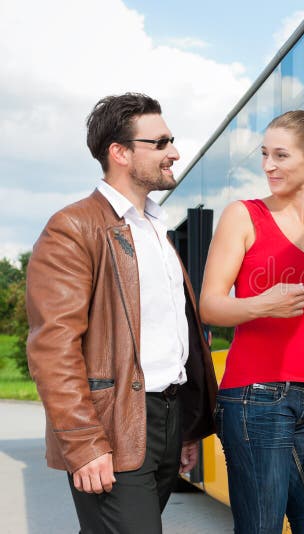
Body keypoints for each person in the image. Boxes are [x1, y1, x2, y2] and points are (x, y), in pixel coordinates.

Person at [25, 92, 218, 533]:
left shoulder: (155, 227)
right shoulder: (73, 228)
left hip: (165, 421)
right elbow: (53, 347)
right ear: (121, 153)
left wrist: (186, 426)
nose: (174, 152)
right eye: (161, 142)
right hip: (113, 426)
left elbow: (173, 335)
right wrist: (83, 443)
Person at [199, 110, 304, 533]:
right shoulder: (243, 216)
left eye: (281, 155)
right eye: (264, 154)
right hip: (253, 400)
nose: (268, 166)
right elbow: (209, 305)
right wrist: (263, 304)